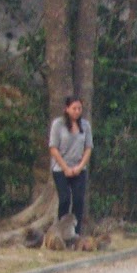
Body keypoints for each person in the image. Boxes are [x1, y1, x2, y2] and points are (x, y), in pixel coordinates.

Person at [48, 96, 93, 234]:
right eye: (74, 108)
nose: (77, 111)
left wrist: (79, 167)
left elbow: (88, 148)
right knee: (65, 199)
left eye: (79, 108)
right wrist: (65, 168)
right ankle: (61, 231)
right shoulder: (58, 124)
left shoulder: (85, 125)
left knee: (79, 200)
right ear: (67, 109)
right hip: (61, 168)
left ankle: (76, 233)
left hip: (79, 168)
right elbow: (53, 148)